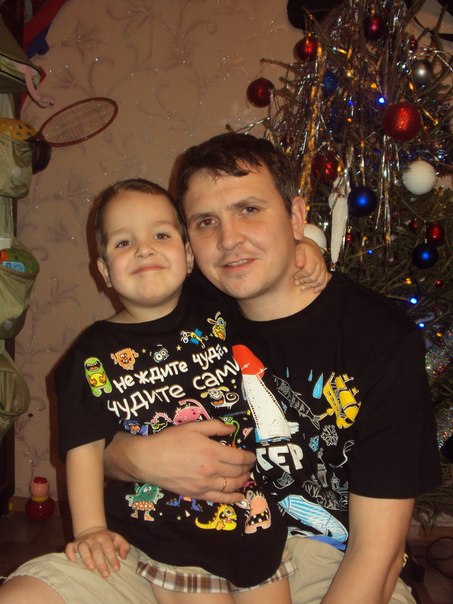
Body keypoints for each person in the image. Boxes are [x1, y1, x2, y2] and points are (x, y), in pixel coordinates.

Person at [0, 132, 440, 604]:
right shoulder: (187, 303)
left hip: (329, 561)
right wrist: (136, 456)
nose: (229, 240)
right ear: (190, 245)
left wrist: (304, 249)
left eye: (249, 209)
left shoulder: (380, 338)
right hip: (168, 544)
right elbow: (97, 419)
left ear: (295, 216)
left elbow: (377, 554)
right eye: (206, 221)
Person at [0, 176, 325, 604]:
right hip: (169, 538)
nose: (144, 249)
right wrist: (91, 529)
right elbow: (83, 449)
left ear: (188, 256)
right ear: (104, 271)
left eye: (160, 235)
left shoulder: (217, 305)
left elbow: (263, 275)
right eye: (123, 242)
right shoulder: (91, 355)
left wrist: (306, 248)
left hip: (255, 525)